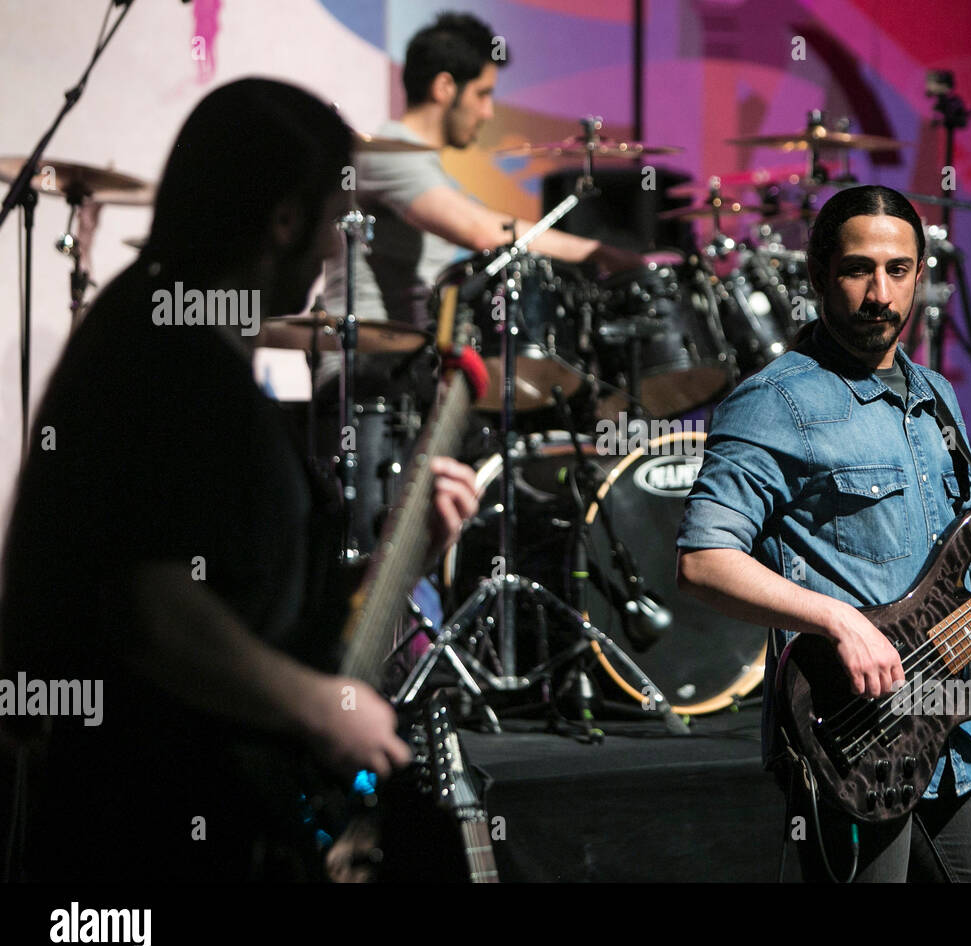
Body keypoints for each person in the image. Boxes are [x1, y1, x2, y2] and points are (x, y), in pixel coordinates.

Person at [0, 78, 481, 882]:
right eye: (332, 221)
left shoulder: (174, 334)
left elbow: (255, 608)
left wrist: (410, 554)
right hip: (135, 834)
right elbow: (153, 607)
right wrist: (320, 710)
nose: (336, 247)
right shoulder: (168, 357)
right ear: (283, 220)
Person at [676, 185, 971, 882]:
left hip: (948, 718)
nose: (880, 293)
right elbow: (704, 562)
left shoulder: (935, 396)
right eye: (858, 269)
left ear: (921, 276)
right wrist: (840, 621)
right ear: (817, 276)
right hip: (847, 731)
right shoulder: (772, 402)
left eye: (899, 270)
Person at [321, 11, 642, 331]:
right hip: (366, 365)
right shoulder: (390, 157)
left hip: (404, 358)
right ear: (444, 87)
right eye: (482, 94)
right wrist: (600, 254)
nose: (488, 112)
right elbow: (482, 230)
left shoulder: (418, 164)